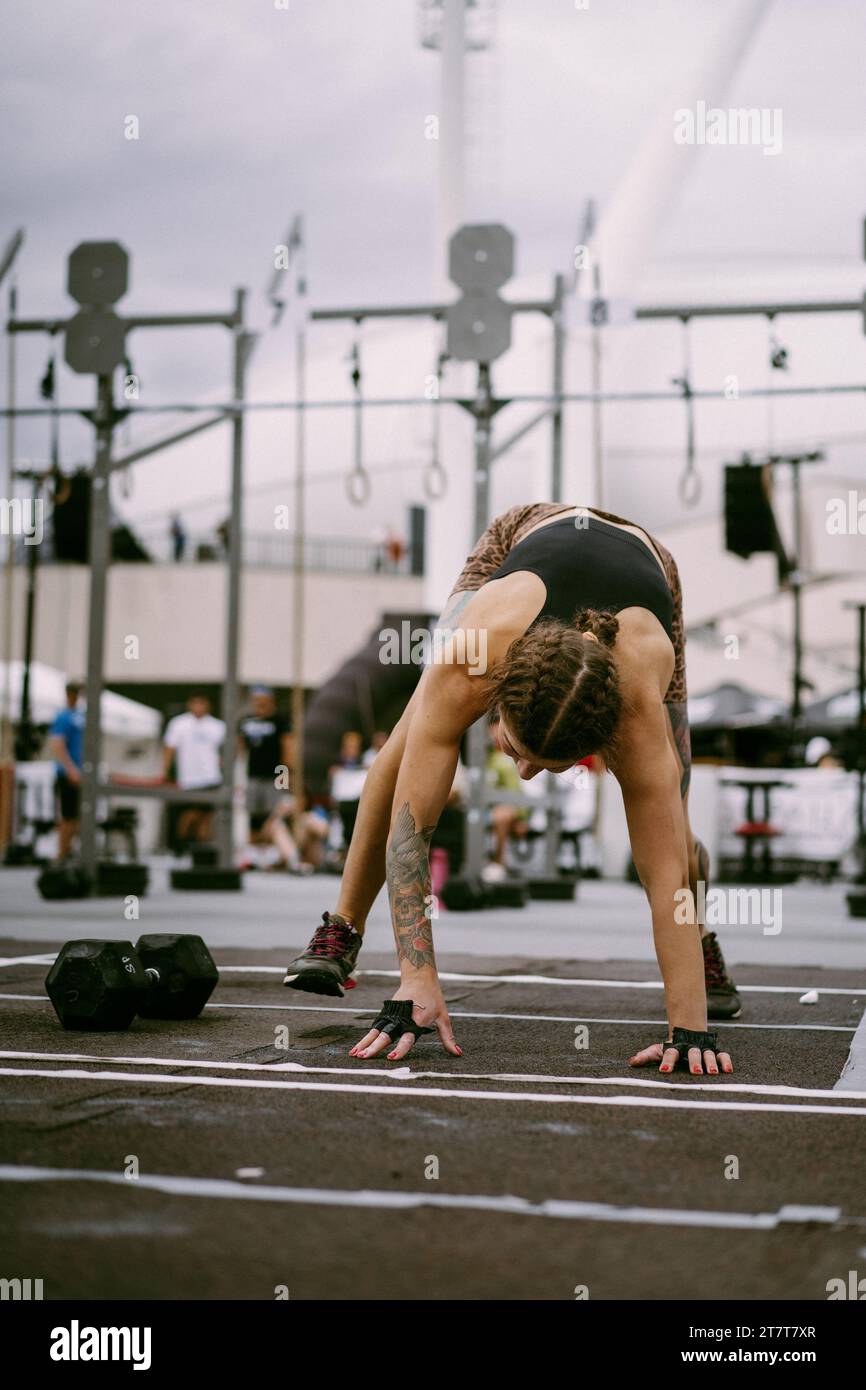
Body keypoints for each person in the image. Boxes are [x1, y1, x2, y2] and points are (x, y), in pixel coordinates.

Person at [284, 502, 739, 1078]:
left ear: (603, 743)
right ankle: (343, 927)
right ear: (498, 698)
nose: (525, 775)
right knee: (404, 749)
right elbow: (411, 832)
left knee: (676, 819)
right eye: (519, 752)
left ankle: (702, 944)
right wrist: (416, 978)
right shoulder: (472, 656)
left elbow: (665, 875)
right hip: (524, 537)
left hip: (652, 569)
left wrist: (689, 1026)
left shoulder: (637, 706)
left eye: (549, 768)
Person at [162, 694, 225, 849]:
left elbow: (227, 750)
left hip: (211, 778)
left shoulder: (217, 726)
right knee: (187, 816)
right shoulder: (179, 724)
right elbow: (169, 748)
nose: (198, 707)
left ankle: (201, 848)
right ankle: (180, 847)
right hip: (188, 780)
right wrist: (165, 772)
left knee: (206, 816)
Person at [49, 681, 85, 860]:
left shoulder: (80, 715)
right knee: (68, 816)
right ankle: (61, 854)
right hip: (68, 774)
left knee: (77, 816)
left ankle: (69, 851)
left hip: (80, 771)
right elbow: (57, 744)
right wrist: (70, 769)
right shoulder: (63, 717)